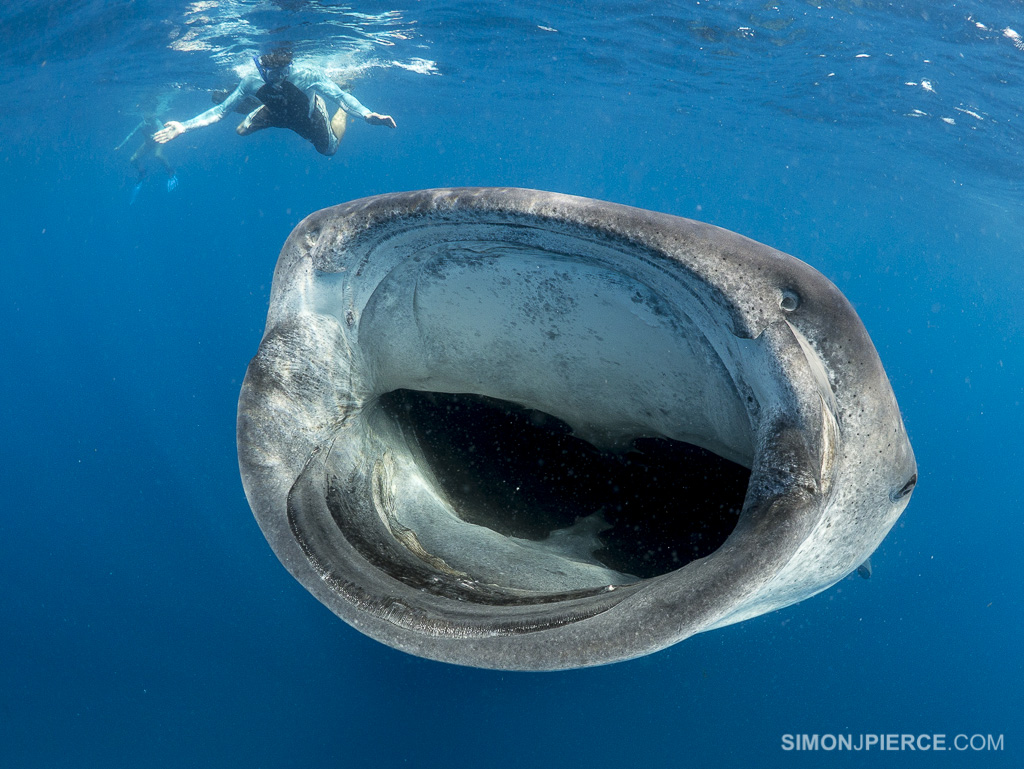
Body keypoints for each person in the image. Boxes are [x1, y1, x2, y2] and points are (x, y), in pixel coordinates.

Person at [154, 48, 396, 156]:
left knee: (329, 151)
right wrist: (184, 126)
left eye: (285, 71)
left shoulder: (308, 75)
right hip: (275, 114)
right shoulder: (250, 81)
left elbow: (341, 97)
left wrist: (366, 115)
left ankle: (326, 108)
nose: (280, 78)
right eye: (273, 73)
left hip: (307, 117)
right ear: (261, 68)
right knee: (240, 131)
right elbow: (220, 111)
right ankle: (265, 108)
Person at [115, 113, 179, 203]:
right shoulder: (142, 124)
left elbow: (163, 131)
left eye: (149, 118)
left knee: (158, 155)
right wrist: (120, 146)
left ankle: (170, 171)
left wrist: (156, 135)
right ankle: (142, 172)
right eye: (146, 118)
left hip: (159, 141)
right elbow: (131, 134)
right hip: (148, 143)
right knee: (132, 159)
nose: (147, 120)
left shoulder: (157, 122)